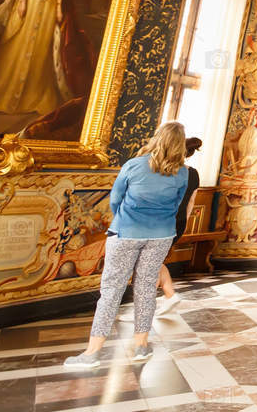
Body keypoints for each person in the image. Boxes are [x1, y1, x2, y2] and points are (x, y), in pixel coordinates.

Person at [65, 122, 191, 368]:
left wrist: (126, 219)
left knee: (111, 291)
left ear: (157, 139)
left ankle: (93, 353)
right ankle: (141, 346)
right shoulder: (182, 173)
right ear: (180, 146)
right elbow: (177, 205)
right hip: (161, 235)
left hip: (126, 232)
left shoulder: (134, 165)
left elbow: (115, 199)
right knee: (146, 289)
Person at [154, 136, 203, 315]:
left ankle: (149, 305)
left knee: (150, 262)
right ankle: (169, 295)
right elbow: (191, 202)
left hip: (160, 221)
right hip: (179, 223)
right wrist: (184, 222)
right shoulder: (193, 173)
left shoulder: (167, 172)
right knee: (155, 261)